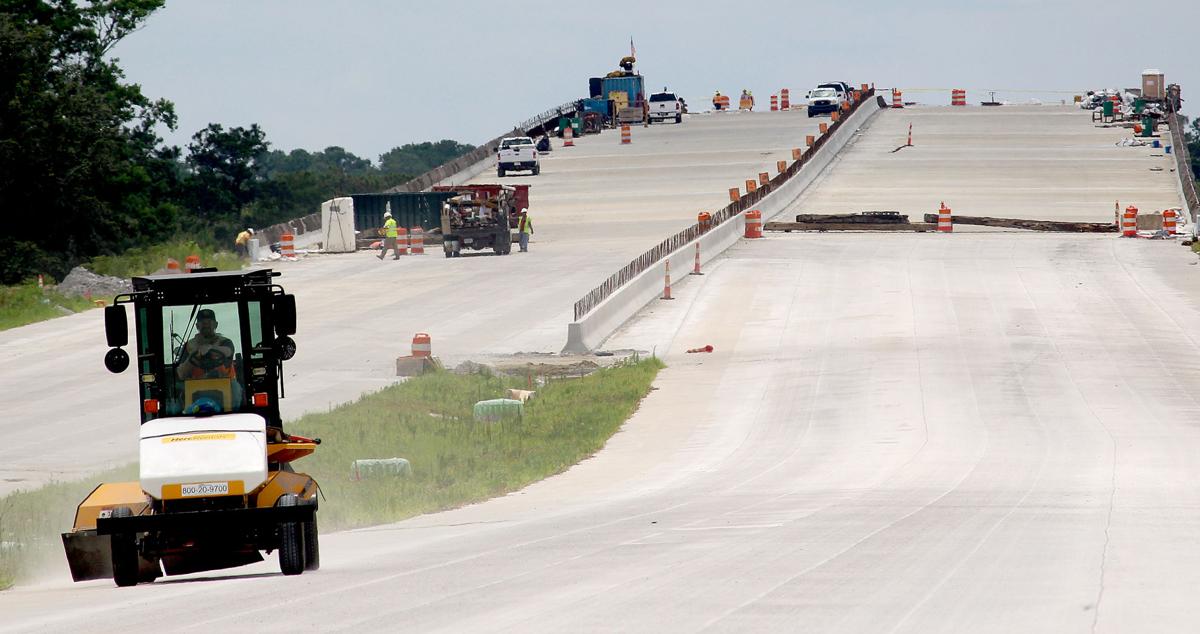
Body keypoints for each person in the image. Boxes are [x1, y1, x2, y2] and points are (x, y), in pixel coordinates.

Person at [176, 309, 236, 380]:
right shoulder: (189, 346)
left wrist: (211, 348)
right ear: (197, 326)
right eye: (203, 323)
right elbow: (181, 374)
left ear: (216, 325)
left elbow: (228, 351)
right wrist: (194, 356)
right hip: (196, 386)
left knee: (236, 389)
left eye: (209, 322)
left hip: (227, 384)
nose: (206, 325)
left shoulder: (225, 342)